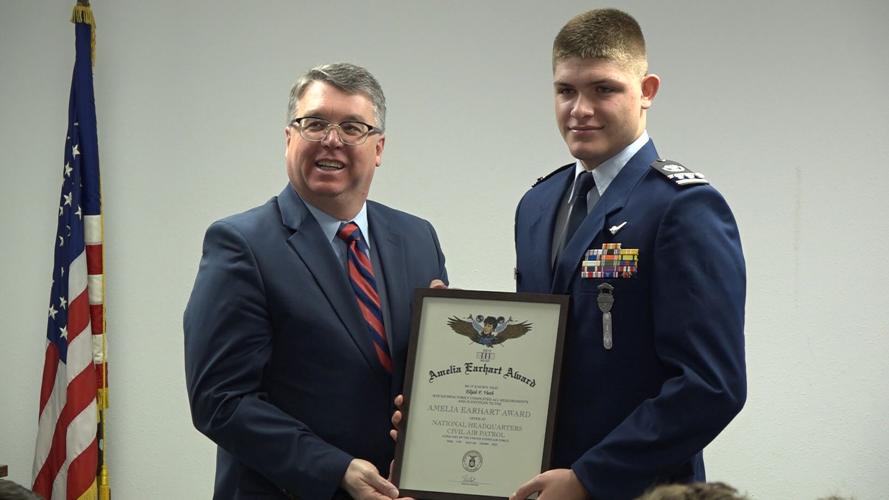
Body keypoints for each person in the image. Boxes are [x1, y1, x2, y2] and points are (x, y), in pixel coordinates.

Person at [509, 9, 747, 500]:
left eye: (603, 89)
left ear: (647, 91)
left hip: (640, 488)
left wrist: (590, 477)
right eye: (565, 90)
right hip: (541, 484)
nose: (580, 108)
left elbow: (711, 384)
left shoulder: (683, 207)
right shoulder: (536, 205)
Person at [184, 62, 447, 500]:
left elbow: (428, 380)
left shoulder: (418, 238)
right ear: (289, 138)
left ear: (378, 148)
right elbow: (220, 400)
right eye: (315, 123)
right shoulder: (241, 244)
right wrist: (335, 469)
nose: (332, 140)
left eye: (352, 127)